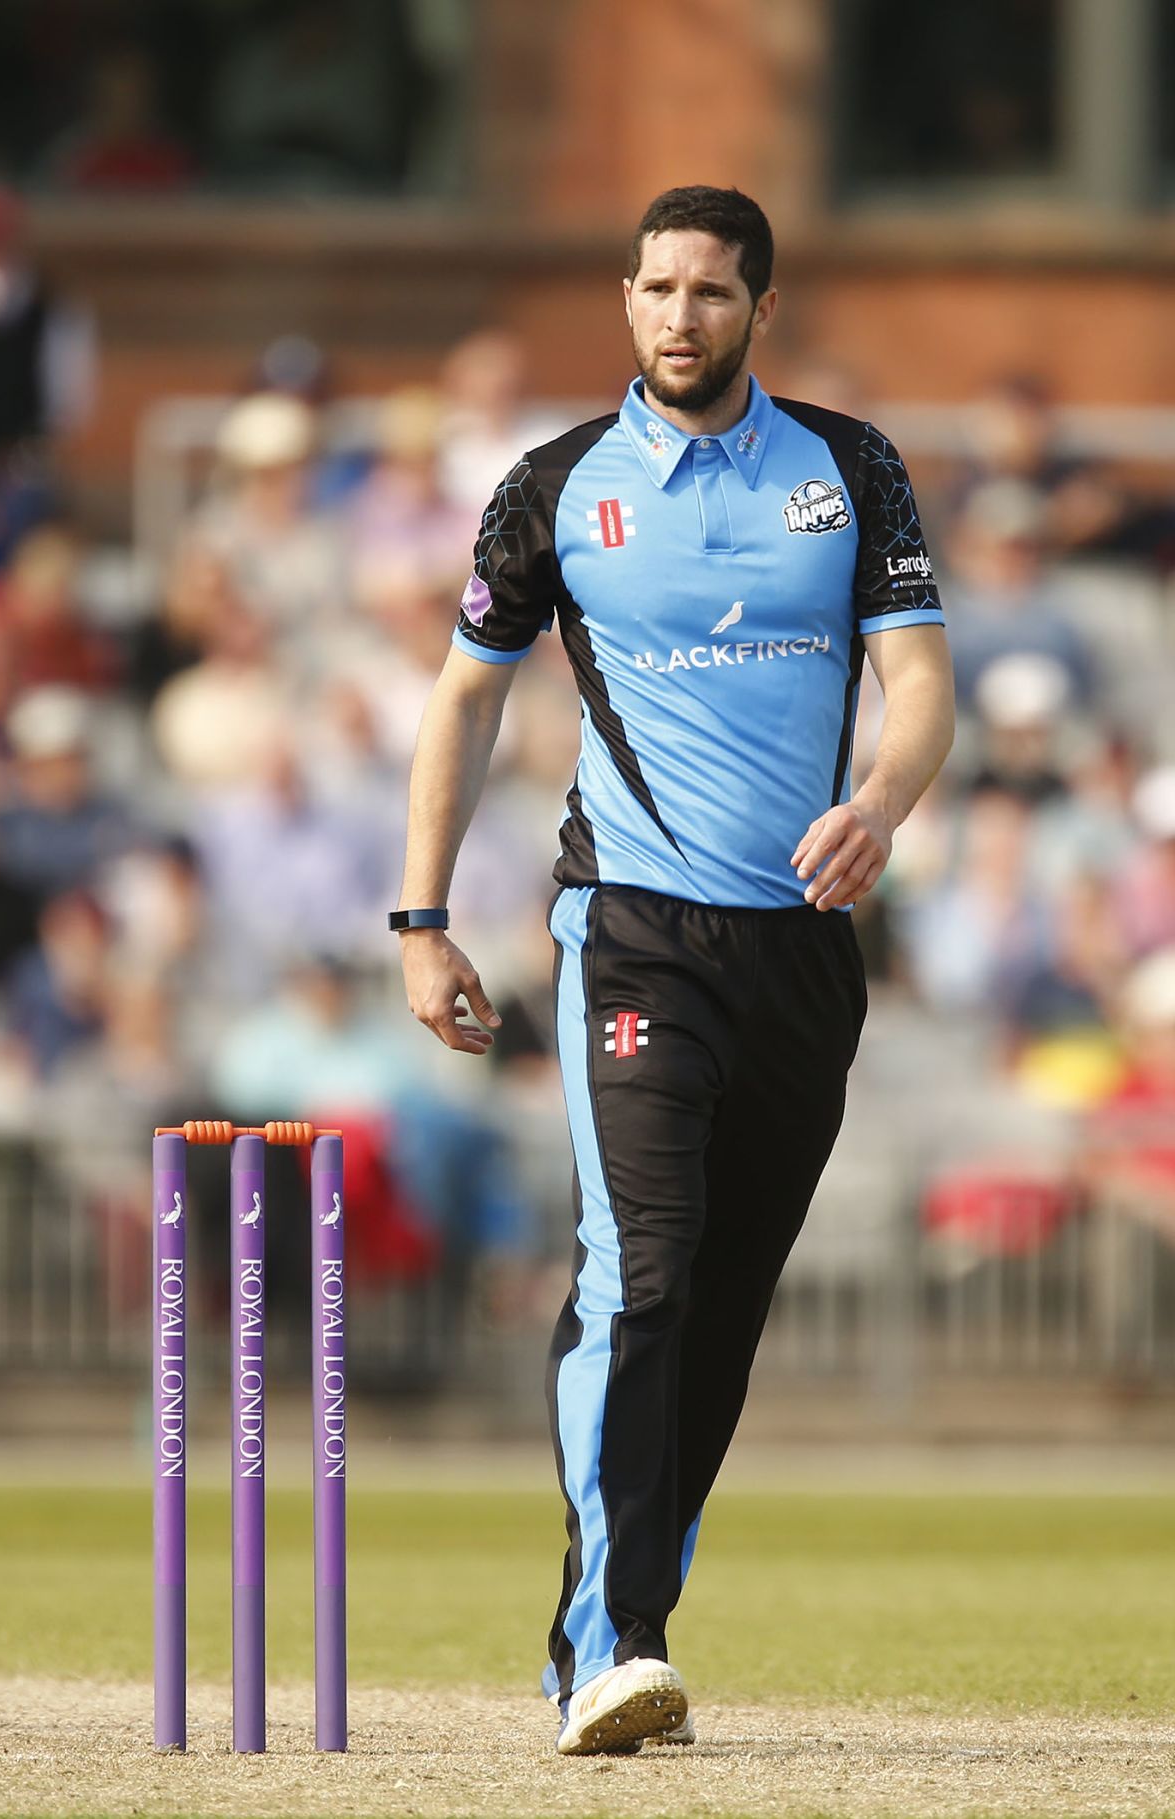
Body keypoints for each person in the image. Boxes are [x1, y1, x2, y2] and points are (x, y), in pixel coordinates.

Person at [391, 185, 954, 1754]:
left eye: (710, 292)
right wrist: (419, 918)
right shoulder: (557, 486)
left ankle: (609, 1624)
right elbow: (462, 701)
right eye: (654, 289)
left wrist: (882, 803)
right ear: (625, 300)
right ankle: (615, 1643)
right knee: (640, 1263)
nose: (678, 317)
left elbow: (920, 687)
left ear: (759, 309)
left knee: (717, 1309)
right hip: (633, 925)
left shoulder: (849, 470)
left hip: (805, 950)